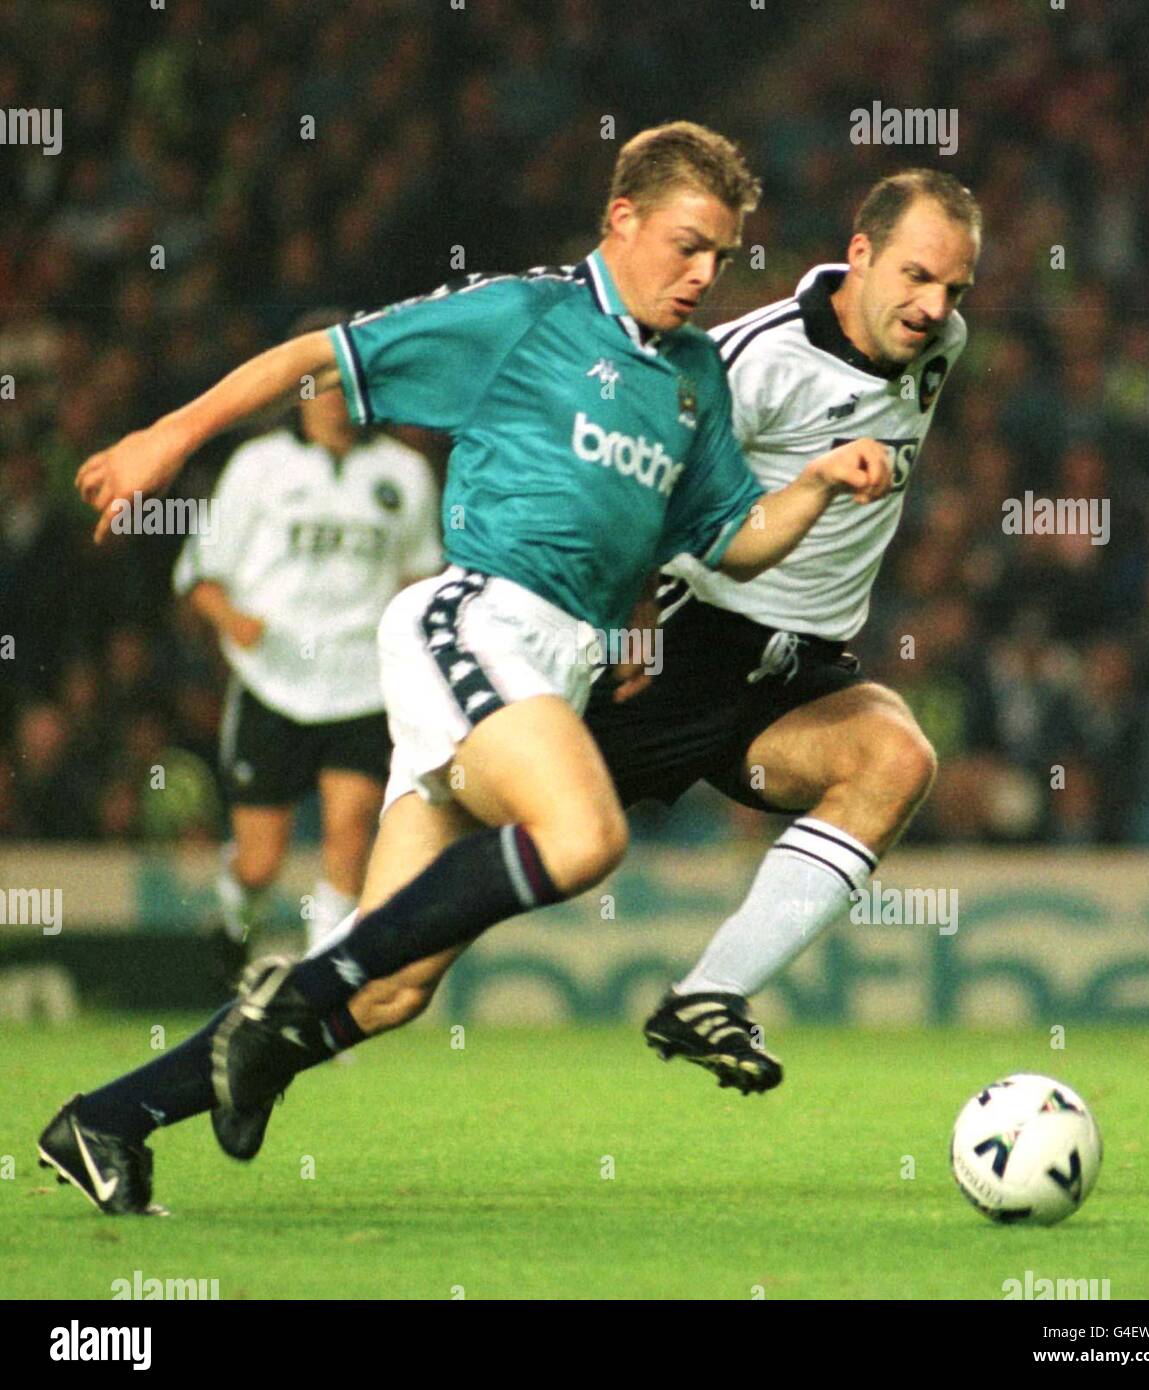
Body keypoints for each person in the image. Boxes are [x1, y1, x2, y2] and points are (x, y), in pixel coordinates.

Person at [39, 121, 893, 1213]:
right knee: (584, 835)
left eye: (723, 257)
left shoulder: (689, 382)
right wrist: (171, 435)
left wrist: (816, 484)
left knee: (388, 984)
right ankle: (284, 1004)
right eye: (686, 245)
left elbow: (729, 535)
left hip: (555, 666)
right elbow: (321, 358)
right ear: (620, 220)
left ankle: (106, 1119)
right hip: (473, 625)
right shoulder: (523, 317)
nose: (703, 276)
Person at [297, 168, 980, 1101]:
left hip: (787, 673)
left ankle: (707, 997)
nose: (935, 306)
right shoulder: (750, 361)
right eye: (916, 277)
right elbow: (647, 475)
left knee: (894, 757)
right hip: (676, 652)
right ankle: (254, 1041)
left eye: (954, 289)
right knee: (402, 969)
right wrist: (638, 613)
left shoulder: (939, 345)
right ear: (857, 256)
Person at [174, 308, 442, 972]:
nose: (336, 400)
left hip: (360, 683)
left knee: (349, 836)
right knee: (262, 859)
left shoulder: (403, 475)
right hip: (274, 681)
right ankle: (234, 913)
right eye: (322, 384)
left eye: (347, 385)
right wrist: (233, 621)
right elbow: (199, 576)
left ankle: (321, 1001)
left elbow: (419, 573)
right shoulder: (256, 468)